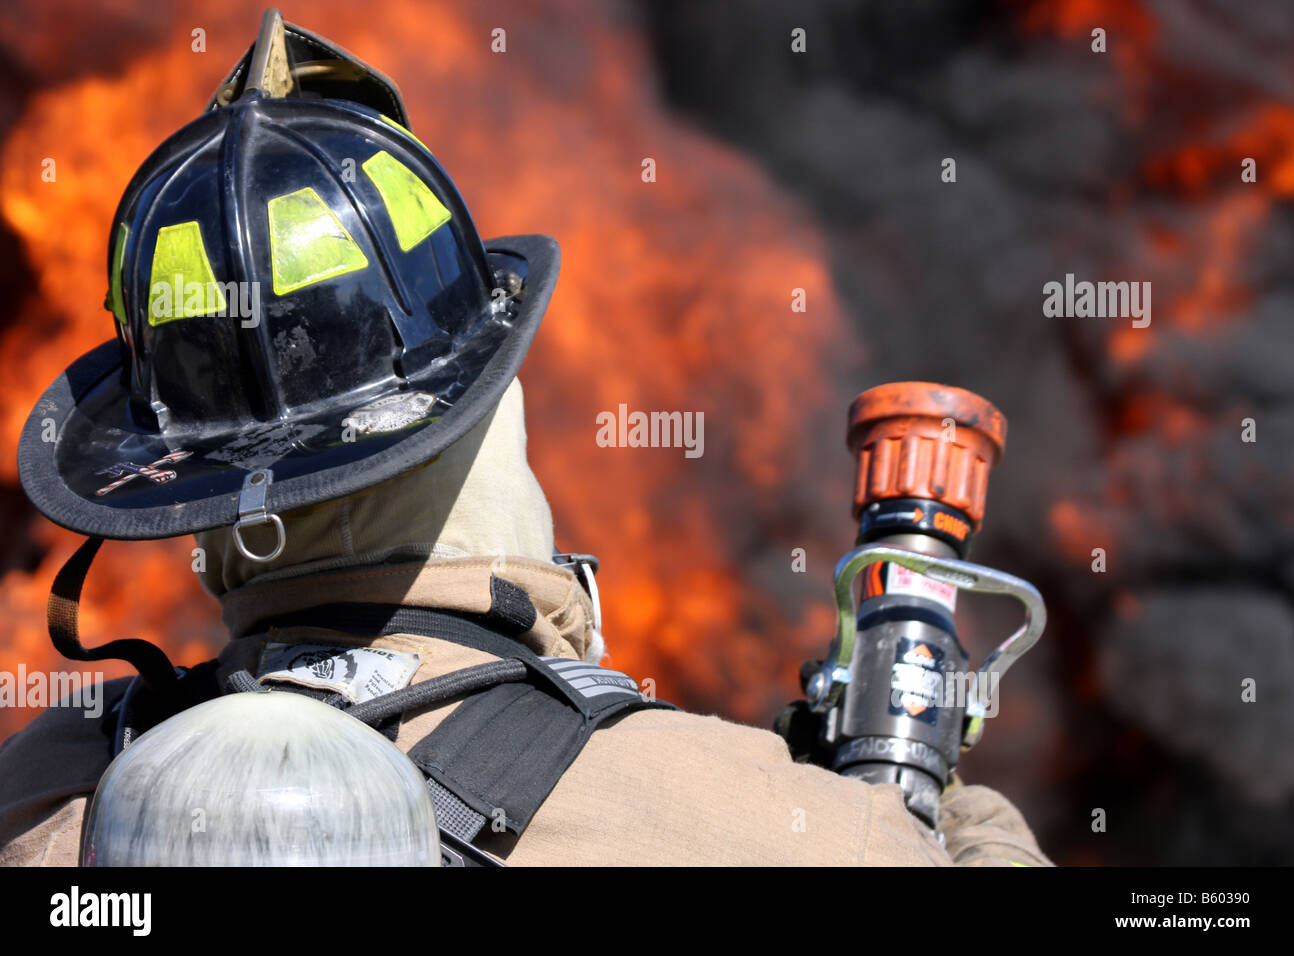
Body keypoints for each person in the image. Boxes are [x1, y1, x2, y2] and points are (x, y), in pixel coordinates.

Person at [0, 11, 1051, 867]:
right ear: (486, 399)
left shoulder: (45, 790)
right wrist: (936, 812)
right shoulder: (772, 826)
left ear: (174, 477)